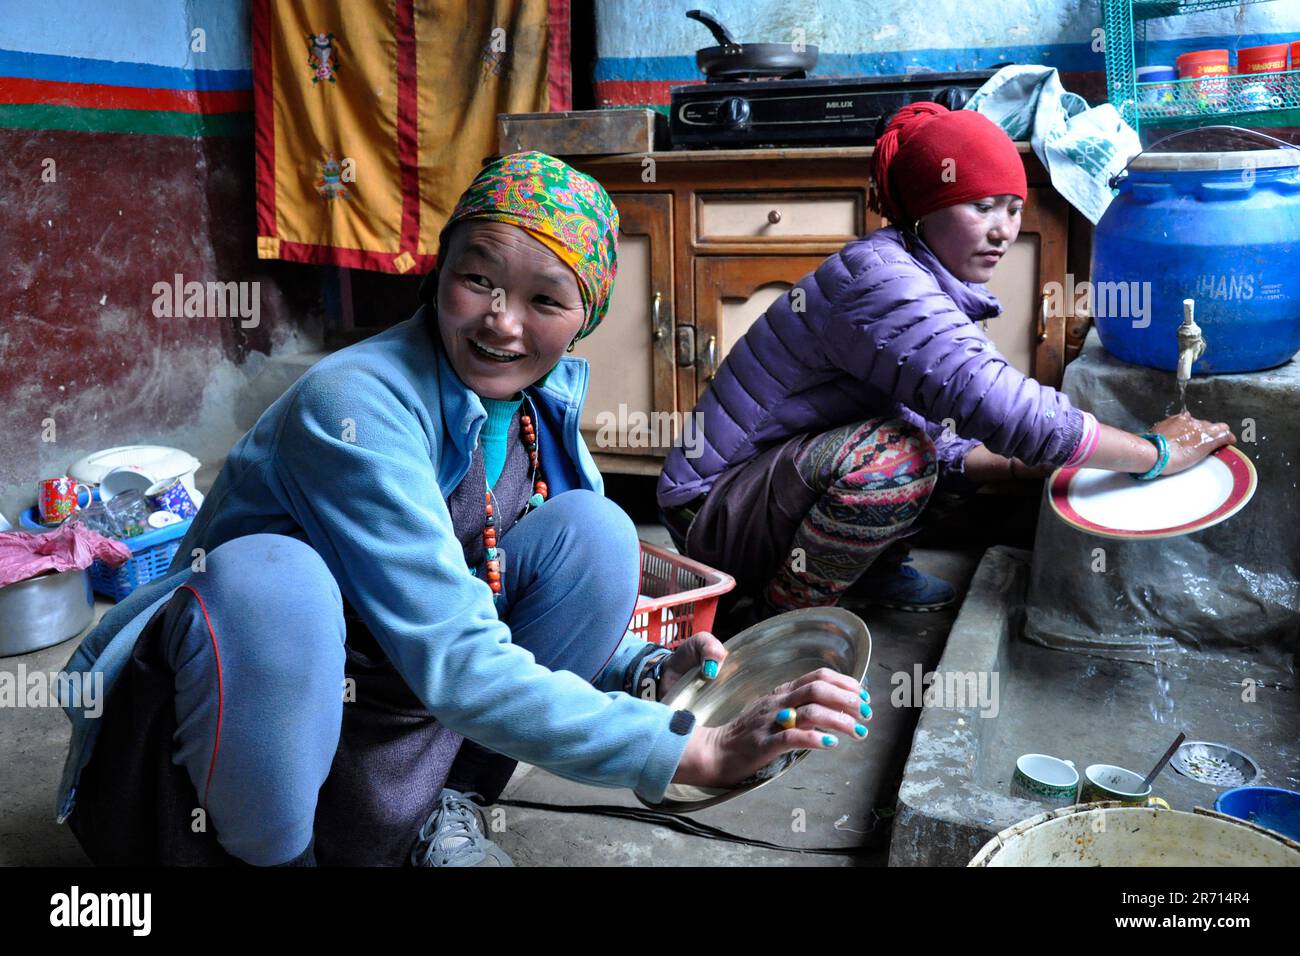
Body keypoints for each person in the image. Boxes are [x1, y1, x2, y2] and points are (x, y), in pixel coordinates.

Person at [55, 151, 870, 868]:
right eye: (478, 278)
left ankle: (441, 807)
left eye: (545, 300)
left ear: (584, 318)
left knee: (594, 533)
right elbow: (457, 658)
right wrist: (693, 748)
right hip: (233, 743)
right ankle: (272, 858)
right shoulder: (353, 404)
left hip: (385, 697)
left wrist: (645, 672)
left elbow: (484, 589)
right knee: (276, 584)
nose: (501, 323)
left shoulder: (533, 405)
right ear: (438, 271)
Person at [657, 103, 1234, 624]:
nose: (1003, 230)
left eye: (1012, 208)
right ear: (925, 211)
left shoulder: (921, 277)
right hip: (712, 506)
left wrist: (1064, 464)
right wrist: (1152, 453)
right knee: (899, 457)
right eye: (981, 206)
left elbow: (956, 437)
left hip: (776, 482)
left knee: (940, 447)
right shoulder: (881, 282)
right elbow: (995, 401)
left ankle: (867, 571)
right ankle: (776, 620)